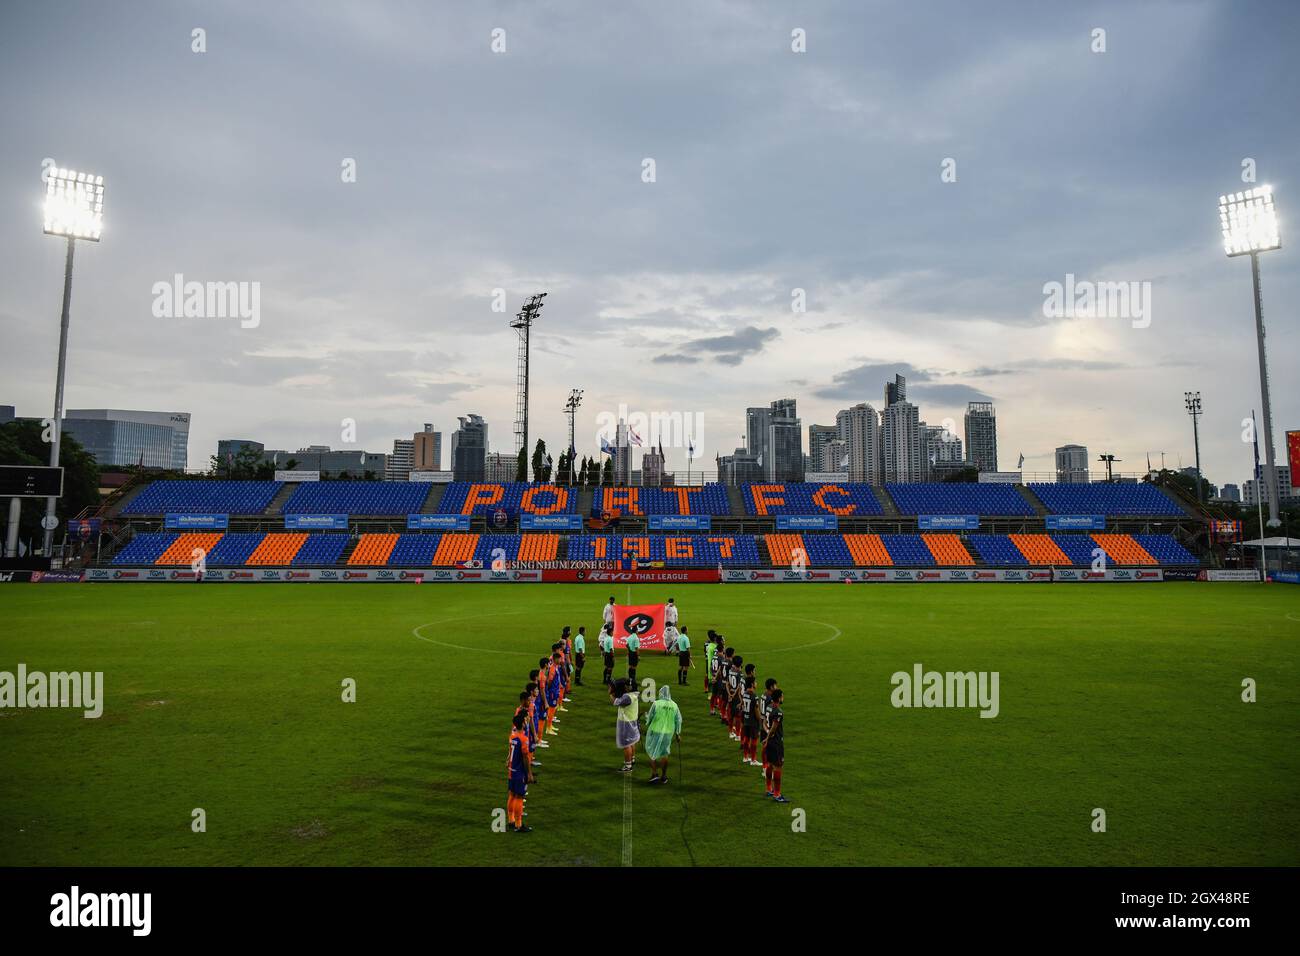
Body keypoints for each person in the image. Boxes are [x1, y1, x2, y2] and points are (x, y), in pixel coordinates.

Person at [642, 685, 682, 784]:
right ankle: (664, 776)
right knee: (665, 754)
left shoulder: (656, 703)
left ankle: (654, 774)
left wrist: (646, 718)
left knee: (652, 752)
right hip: (668, 733)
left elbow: (650, 717)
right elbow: (678, 720)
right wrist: (677, 733)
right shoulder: (674, 705)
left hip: (655, 731)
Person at [506, 712, 534, 832]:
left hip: (511, 771)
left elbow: (510, 752)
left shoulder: (512, 736)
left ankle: (510, 820)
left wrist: (508, 760)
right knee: (519, 796)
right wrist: (529, 774)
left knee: (512, 794)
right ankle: (519, 824)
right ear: (522, 724)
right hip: (519, 772)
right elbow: (525, 757)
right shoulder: (523, 739)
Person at [610, 678, 640, 772]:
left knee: (626, 745)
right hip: (632, 721)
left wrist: (610, 693)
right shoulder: (634, 695)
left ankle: (628, 766)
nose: (625, 687)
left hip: (626, 723)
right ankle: (632, 759)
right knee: (631, 742)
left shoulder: (627, 697)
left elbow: (615, 702)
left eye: (626, 686)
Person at [764, 689, 787, 803]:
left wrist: (766, 734)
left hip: (769, 742)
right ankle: (777, 794)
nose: (783, 698)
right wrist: (768, 737)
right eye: (782, 696)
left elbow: (764, 721)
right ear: (778, 698)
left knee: (769, 764)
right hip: (776, 742)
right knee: (778, 767)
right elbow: (774, 728)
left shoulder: (768, 707)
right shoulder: (778, 711)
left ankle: (769, 789)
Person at [740, 676, 760, 765]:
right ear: (752, 684)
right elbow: (756, 712)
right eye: (755, 682)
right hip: (753, 721)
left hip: (746, 720)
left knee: (746, 738)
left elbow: (744, 706)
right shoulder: (755, 697)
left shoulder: (745, 693)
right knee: (754, 740)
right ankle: (753, 759)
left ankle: (745, 757)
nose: (756, 683)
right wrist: (761, 721)